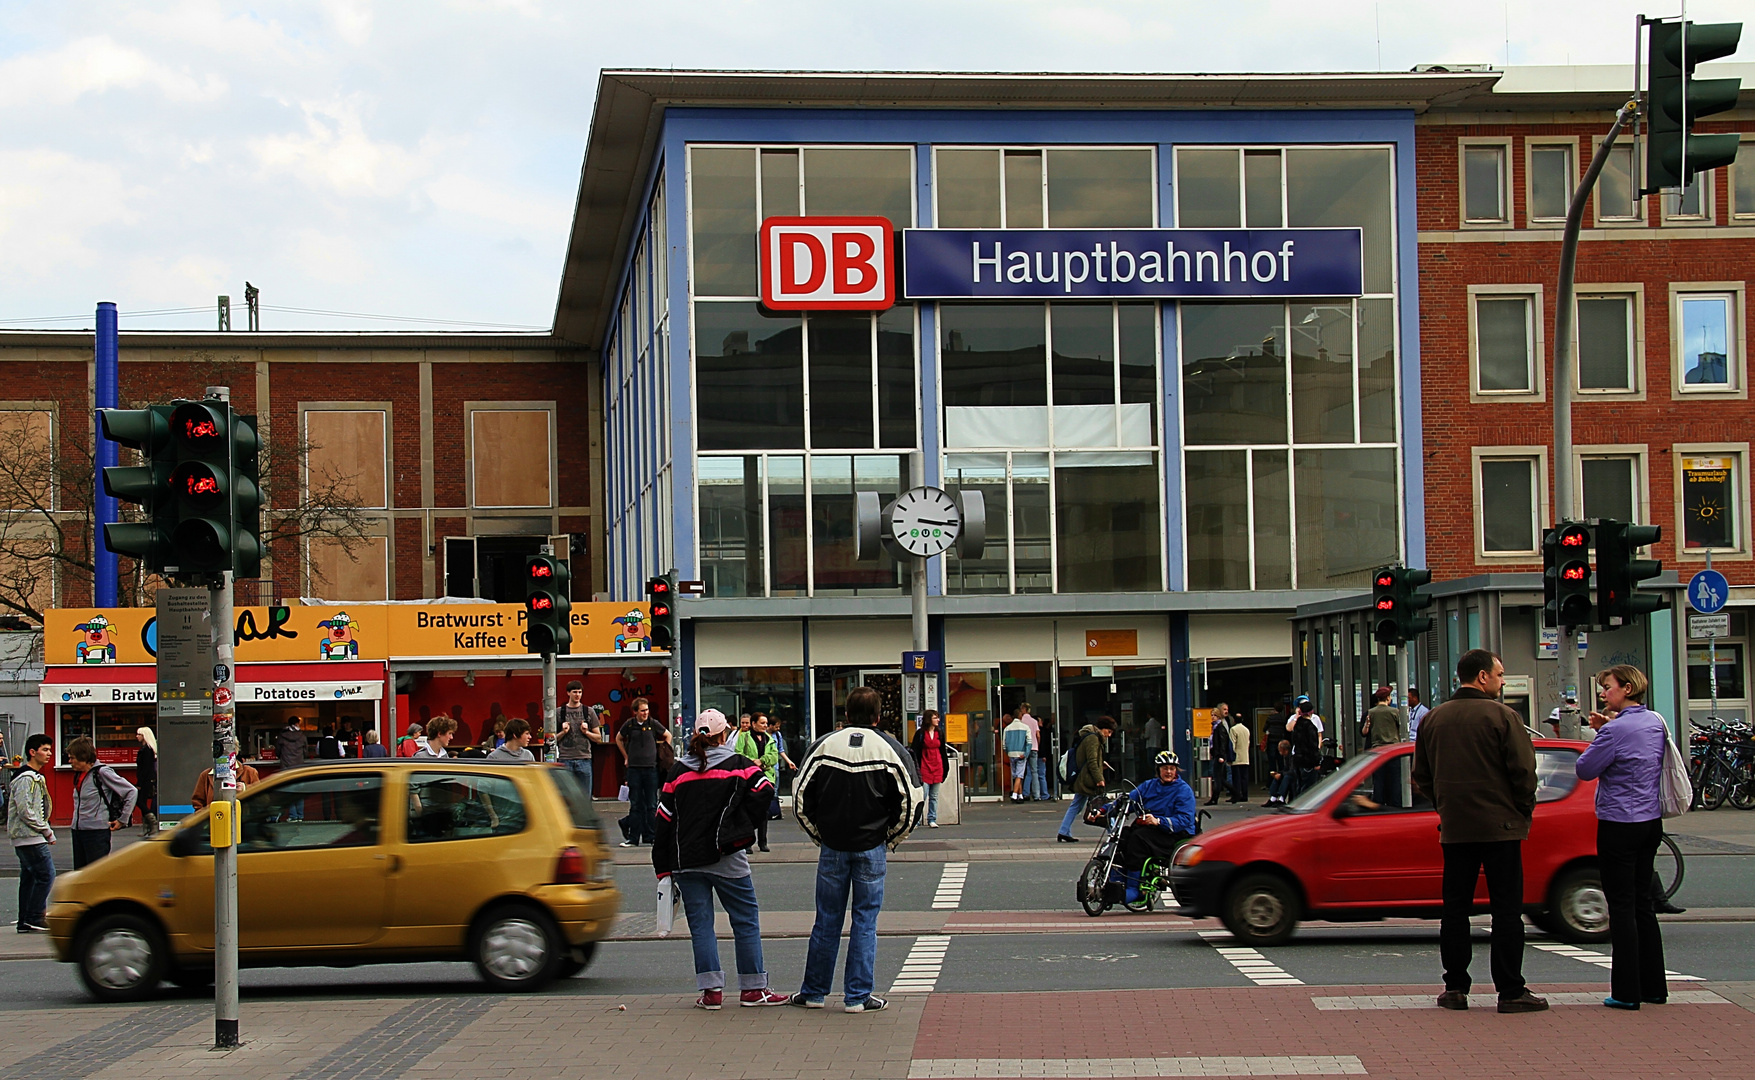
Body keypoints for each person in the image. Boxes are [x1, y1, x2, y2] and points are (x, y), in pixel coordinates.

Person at [1412, 648, 1547, 1014]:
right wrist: (1522, 810)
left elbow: (1421, 775)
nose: (1503, 682)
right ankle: (1510, 990)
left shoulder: (1434, 719)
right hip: (1501, 827)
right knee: (1506, 911)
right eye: (1500, 675)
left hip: (1455, 828)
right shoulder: (1503, 716)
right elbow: (1523, 772)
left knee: (1455, 909)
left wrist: (1446, 806)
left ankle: (1455, 987)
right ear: (1483, 677)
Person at [790, 685, 923, 1013]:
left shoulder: (823, 746)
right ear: (878, 716)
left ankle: (814, 993)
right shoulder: (891, 749)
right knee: (865, 920)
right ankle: (858, 997)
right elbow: (913, 800)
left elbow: (800, 797)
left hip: (832, 846)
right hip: (871, 847)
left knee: (827, 919)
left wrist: (819, 835)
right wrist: (891, 838)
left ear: (846, 714)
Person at [653, 709, 786, 1009]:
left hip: (686, 859)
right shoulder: (737, 764)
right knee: (745, 920)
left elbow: (663, 820)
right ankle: (753, 989)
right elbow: (765, 791)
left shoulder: (678, 771)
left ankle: (711, 991)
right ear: (723, 735)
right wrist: (740, 825)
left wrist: (662, 867)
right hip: (727, 857)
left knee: (701, 925)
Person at [1576, 665, 1670, 1009]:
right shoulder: (1655, 722)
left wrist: (1602, 734)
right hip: (1650, 820)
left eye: (1607, 687)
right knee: (1643, 903)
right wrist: (1607, 730)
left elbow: (1585, 769)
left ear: (1626, 688)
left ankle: (1626, 992)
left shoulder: (1614, 731)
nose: (1603, 693)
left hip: (1618, 822)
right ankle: (1654, 987)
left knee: (1621, 904)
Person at [1119, 750, 1198, 903]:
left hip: (1175, 833)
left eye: (1172, 768)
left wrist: (1159, 821)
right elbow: (1129, 800)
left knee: (1138, 839)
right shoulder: (1149, 786)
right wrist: (1102, 810)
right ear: (1158, 770)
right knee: (1122, 836)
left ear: (1176, 770)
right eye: (1164, 768)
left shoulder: (1183, 790)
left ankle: (1135, 888)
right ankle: (1118, 880)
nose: (1168, 772)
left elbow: (1185, 819)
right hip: (1152, 829)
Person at [66, 737, 138, 869]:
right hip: (78, 831)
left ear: (83, 757)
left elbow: (131, 791)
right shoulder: (79, 774)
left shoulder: (102, 772)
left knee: (94, 873)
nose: (69, 761)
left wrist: (123, 819)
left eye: (72, 758)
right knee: (80, 874)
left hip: (96, 832)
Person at [9, 734, 56, 933]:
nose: (49, 754)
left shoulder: (34, 777)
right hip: (29, 835)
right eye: (45, 750)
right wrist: (46, 830)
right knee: (46, 875)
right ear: (32, 752)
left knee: (30, 877)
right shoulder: (25, 778)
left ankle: (25, 921)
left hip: (29, 835)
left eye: (49, 750)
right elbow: (25, 810)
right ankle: (35, 916)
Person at [615, 697, 670, 848]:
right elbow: (618, 739)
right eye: (642, 710)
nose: (645, 713)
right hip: (634, 769)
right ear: (635, 712)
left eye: (647, 710)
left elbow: (667, 735)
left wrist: (664, 752)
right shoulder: (630, 725)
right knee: (636, 804)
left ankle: (651, 836)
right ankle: (633, 838)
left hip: (651, 769)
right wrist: (626, 757)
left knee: (651, 804)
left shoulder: (652, 723)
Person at [1056, 715, 1116, 842]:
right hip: (1088, 779)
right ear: (1102, 728)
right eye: (1108, 731)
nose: (1109, 735)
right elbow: (1092, 760)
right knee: (1102, 804)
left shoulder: (1089, 736)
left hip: (1084, 777)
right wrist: (1099, 778)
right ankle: (1113, 832)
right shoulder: (1093, 739)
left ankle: (1063, 830)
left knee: (1077, 804)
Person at [733, 713, 780, 850]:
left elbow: (774, 756)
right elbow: (738, 754)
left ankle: (762, 842)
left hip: (766, 777)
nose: (765, 725)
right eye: (762, 723)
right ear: (754, 724)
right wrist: (752, 763)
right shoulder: (744, 738)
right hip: (750, 776)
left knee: (763, 810)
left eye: (766, 723)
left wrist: (762, 761)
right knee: (747, 809)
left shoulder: (769, 739)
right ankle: (747, 842)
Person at [557, 682, 604, 794]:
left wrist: (586, 732)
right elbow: (550, 739)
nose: (577, 695)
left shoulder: (588, 711)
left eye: (579, 692)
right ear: (568, 693)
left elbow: (598, 738)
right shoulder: (559, 712)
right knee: (566, 797)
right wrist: (563, 732)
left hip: (584, 758)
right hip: (565, 758)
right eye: (574, 692)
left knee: (585, 795)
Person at [909, 709, 951, 828]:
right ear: (929, 719)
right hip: (924, 766)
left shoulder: (940, 733)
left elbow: (942, 751)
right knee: (923, 795)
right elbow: (915, 750)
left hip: (937, 766)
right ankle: (917, 819)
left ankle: (932, 818)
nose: (938, 720)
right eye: (935, 718)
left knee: (934, 796)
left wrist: (945, 768)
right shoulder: (920, 734)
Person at [1286, 697, 1323, 796]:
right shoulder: (1310, 727)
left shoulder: (1298, 725)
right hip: (1308, 761)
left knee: (1299, 784)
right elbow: (1312, 745)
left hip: (1298, 759)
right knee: (1308, 787)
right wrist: (1317, 761)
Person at [190, 761, 261, 810]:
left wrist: (245, 789)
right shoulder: (205, 775)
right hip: (214, 822)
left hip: (243, 823)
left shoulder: (250, 772)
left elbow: (262, 799)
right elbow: (198, 803)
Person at [1205, 703, 1233, 805]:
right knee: (1219, 778)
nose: (1212, 717)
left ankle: (1214, 798)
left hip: (1219, 755)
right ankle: (1235, 792)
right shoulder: (1215, 727)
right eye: (1211, 715)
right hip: (1216, 754)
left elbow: (1222, 743)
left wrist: (1221, 755)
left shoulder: (1219, 728)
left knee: (1217, 777)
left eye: (1214, 715)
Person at [1002, 711, 1032, 802]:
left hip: (1011, 754)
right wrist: (1026, 754)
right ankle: (1015, 795)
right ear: (1020, 716)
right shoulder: (1026, 727)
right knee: (1020, 775)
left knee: (1016, 775)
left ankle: (1020, 795)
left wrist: (1008, 752)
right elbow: (1029, 742)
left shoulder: (1007, 728)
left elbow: (1004, 744)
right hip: (1021, 754)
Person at [1017, 703, 1044, 801]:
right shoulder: (1034, 721)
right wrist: (1037, 744)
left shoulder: (1021, 721)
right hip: (1034, 748)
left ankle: (1025, 793)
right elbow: (1038, 735)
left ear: (1023, 709)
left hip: (1024, 748)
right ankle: (1037, 795)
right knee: (1034, 771)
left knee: (1022, 771)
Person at [135, 726, 159, 836]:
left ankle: (151, 822)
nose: (137, 736)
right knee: (142, 801)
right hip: (148, 779)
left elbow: (144, 768)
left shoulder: (146, 750)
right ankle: (148, 827)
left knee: (140, 801)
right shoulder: (149, 749)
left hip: (146, 780)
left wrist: (140, 782)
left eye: (139, 734)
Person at [1229, 711, 1252, 804]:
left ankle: (1237, 795)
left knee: (1236, 778)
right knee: (1244, 778)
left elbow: (1232, 744)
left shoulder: (1233, 729)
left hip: (1237, 758)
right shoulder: (1246, 730)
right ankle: (1245, 795)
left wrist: (1231, 757)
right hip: (1245, 757)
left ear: (1234, 720)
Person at [1264, 739, 1295, 806]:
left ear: (1284, 749)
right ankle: (1273, 798)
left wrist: (1282, 774)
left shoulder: (1292, 757)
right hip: (1288, 773)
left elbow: (1292, 770)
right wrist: (1278, 773)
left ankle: (1282, 798)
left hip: (1293, 775)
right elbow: (1286, 769)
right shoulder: (1286, 757)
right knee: (1277, 777)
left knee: (1286, 778)